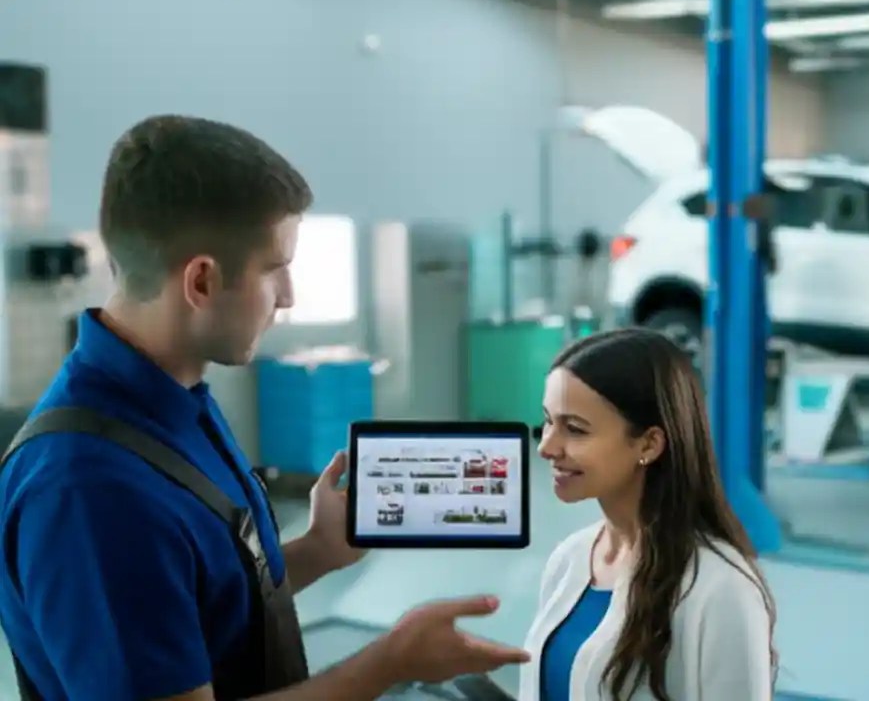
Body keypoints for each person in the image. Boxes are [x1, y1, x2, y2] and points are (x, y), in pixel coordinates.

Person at [0, 115, 529, 700]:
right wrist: (387, 663)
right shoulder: (90, 490)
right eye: (276, 269)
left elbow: (210, 605)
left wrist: (317, 552)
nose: (289, 296)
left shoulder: (178, 402)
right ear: (200, 281)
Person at [520, 329, 777, 701]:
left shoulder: (721, 589)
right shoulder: (569, 559)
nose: (546, 447)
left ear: (649, 444)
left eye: (574, 429)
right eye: (548, 421)